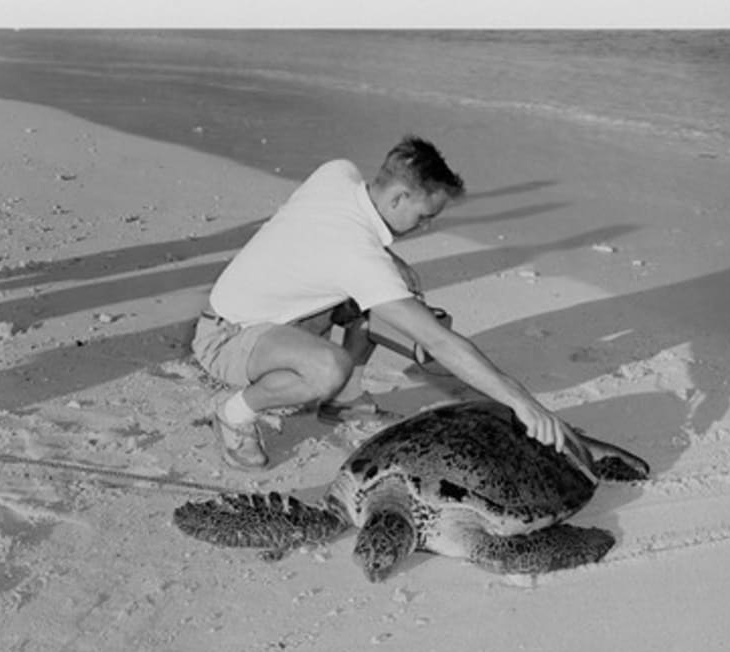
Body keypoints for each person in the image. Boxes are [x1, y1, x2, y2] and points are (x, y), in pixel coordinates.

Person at [192, 135, 575, 469]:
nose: (427, 226)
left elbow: (326, 231)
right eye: (425, 216)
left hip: (274, 312)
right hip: (227, 336)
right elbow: (440, 343)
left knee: (387, 300)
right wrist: (522, 402)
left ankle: (345, 399)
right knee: (328, 368)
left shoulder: (337, 173)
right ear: (398, 197)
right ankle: (233, 413)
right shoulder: (359, 258)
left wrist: (391, 260)